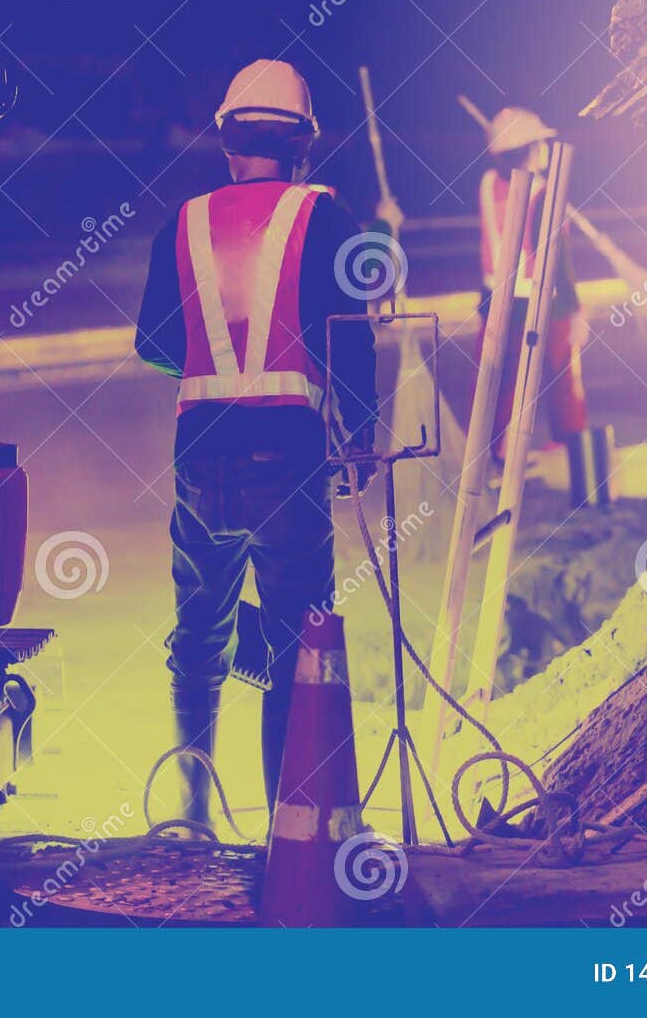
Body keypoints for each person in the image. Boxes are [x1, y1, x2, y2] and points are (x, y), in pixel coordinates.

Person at [135, 59, 377, 828]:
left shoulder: (185, 219)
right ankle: (289, 832)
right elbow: (350, 337)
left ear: (227, 141)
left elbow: (153, 341)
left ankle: (191, 816)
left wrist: (214, 355)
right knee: (292, 650)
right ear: (303, 143)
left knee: (198, 639)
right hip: (289, 460)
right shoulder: (325, 215)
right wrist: (361, 431)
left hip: (200, 457)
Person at [476, 106, 591, 460]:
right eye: (539, 143)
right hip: (540, 297)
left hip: (494, 295)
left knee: (500, 377)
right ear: (527, 150)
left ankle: (495, 450)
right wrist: (576, 310)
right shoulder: (542, 193)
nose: (544, 149)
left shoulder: (486, 184)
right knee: (561, 374)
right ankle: (571, 443)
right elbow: (558, 259)